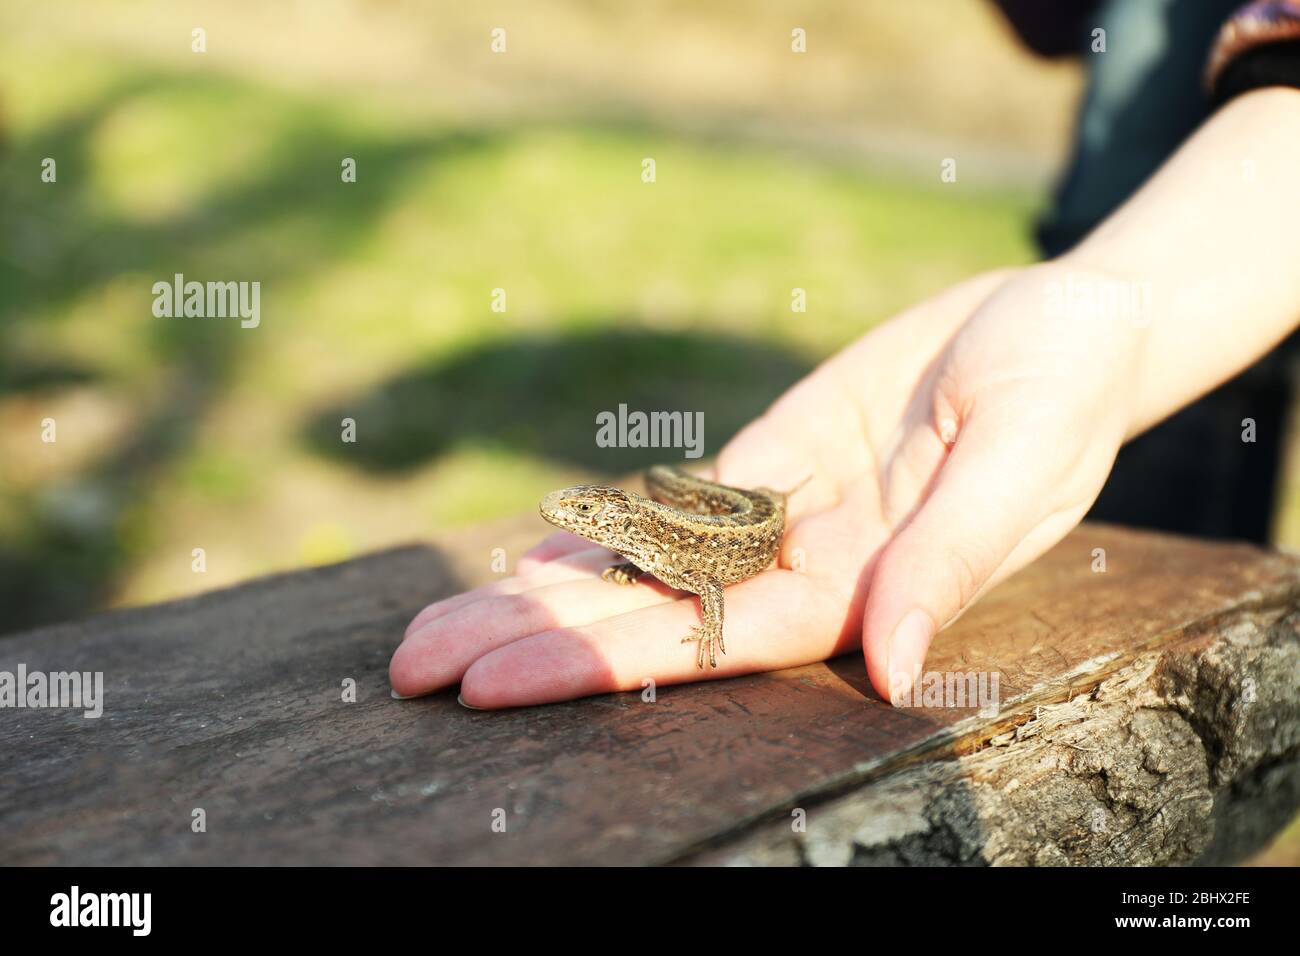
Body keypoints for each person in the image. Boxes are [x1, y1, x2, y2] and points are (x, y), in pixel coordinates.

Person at [390, 0, 1300, 708]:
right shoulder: (652, 545)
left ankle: (1173, 585)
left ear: (622, 523)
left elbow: (707, 595)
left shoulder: (681, 552)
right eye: (595, 519)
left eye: (594, 516)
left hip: (740, 528)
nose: (584, 520)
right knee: (1107, 189)